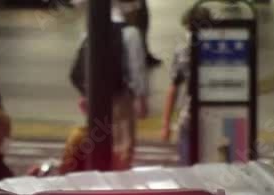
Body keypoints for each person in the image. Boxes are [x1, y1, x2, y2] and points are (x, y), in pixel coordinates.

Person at [69, 0, 148, 170]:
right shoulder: (130, 33)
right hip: (121, 98)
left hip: (95, 99)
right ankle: (118, 184)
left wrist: (84, 93)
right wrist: (141, 98)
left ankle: (99, 178)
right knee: (123, 144)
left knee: (98, 140)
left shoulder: (90, 31)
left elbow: (81, 65)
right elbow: (137, 68)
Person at [160, 6, 213, 166]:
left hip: (189, 117)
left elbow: (173, 88)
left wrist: (166, 124)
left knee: (187, 169)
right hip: (218, 119)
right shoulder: (220, 48)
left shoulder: (183, 50)